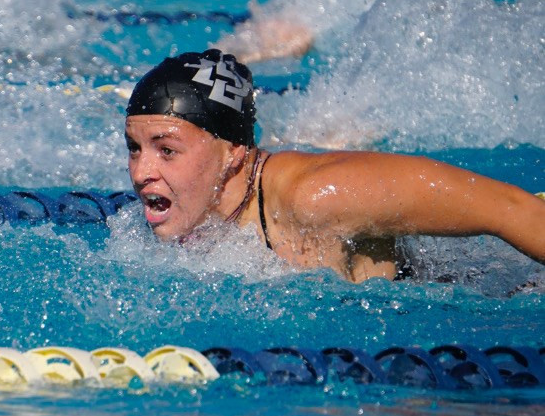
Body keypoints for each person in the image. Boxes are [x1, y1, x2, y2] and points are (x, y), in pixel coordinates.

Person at [124, 49, 545, 283]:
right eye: (134, 148)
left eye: (167, 150)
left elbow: (508, 207)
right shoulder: (191, 219)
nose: (142, 172)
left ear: (233, 153)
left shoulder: (320, 196)